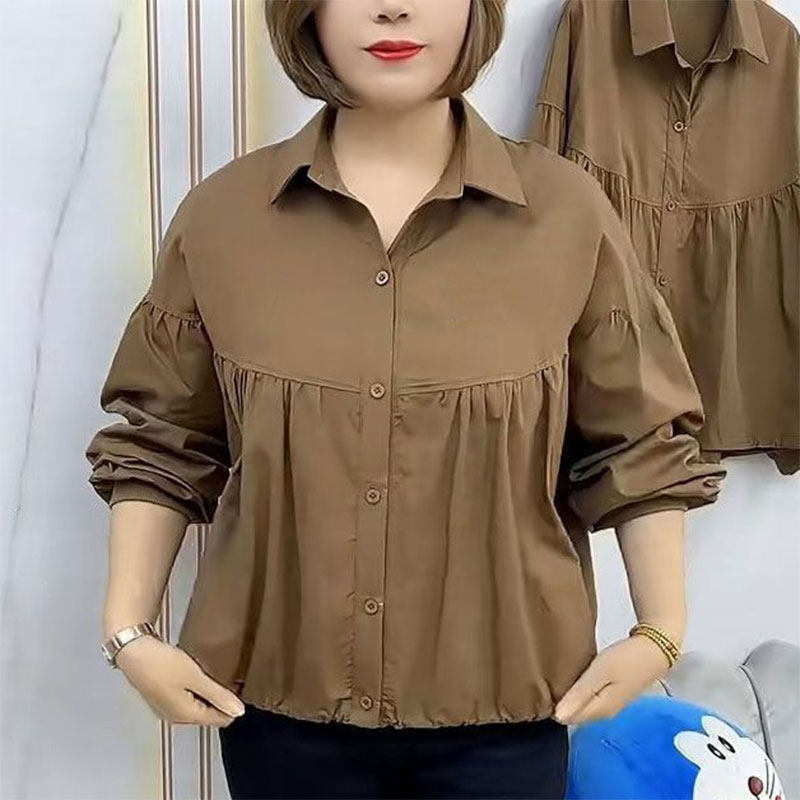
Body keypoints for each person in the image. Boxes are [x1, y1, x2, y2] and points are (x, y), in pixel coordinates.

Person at [87, 1, 727, 798]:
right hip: (277, 721)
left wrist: (659, 631)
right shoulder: (222, 220)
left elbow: (640, 439)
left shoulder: (568, 216)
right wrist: (128, 632)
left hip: (509, 722)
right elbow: (161, 440)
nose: (393, 6)